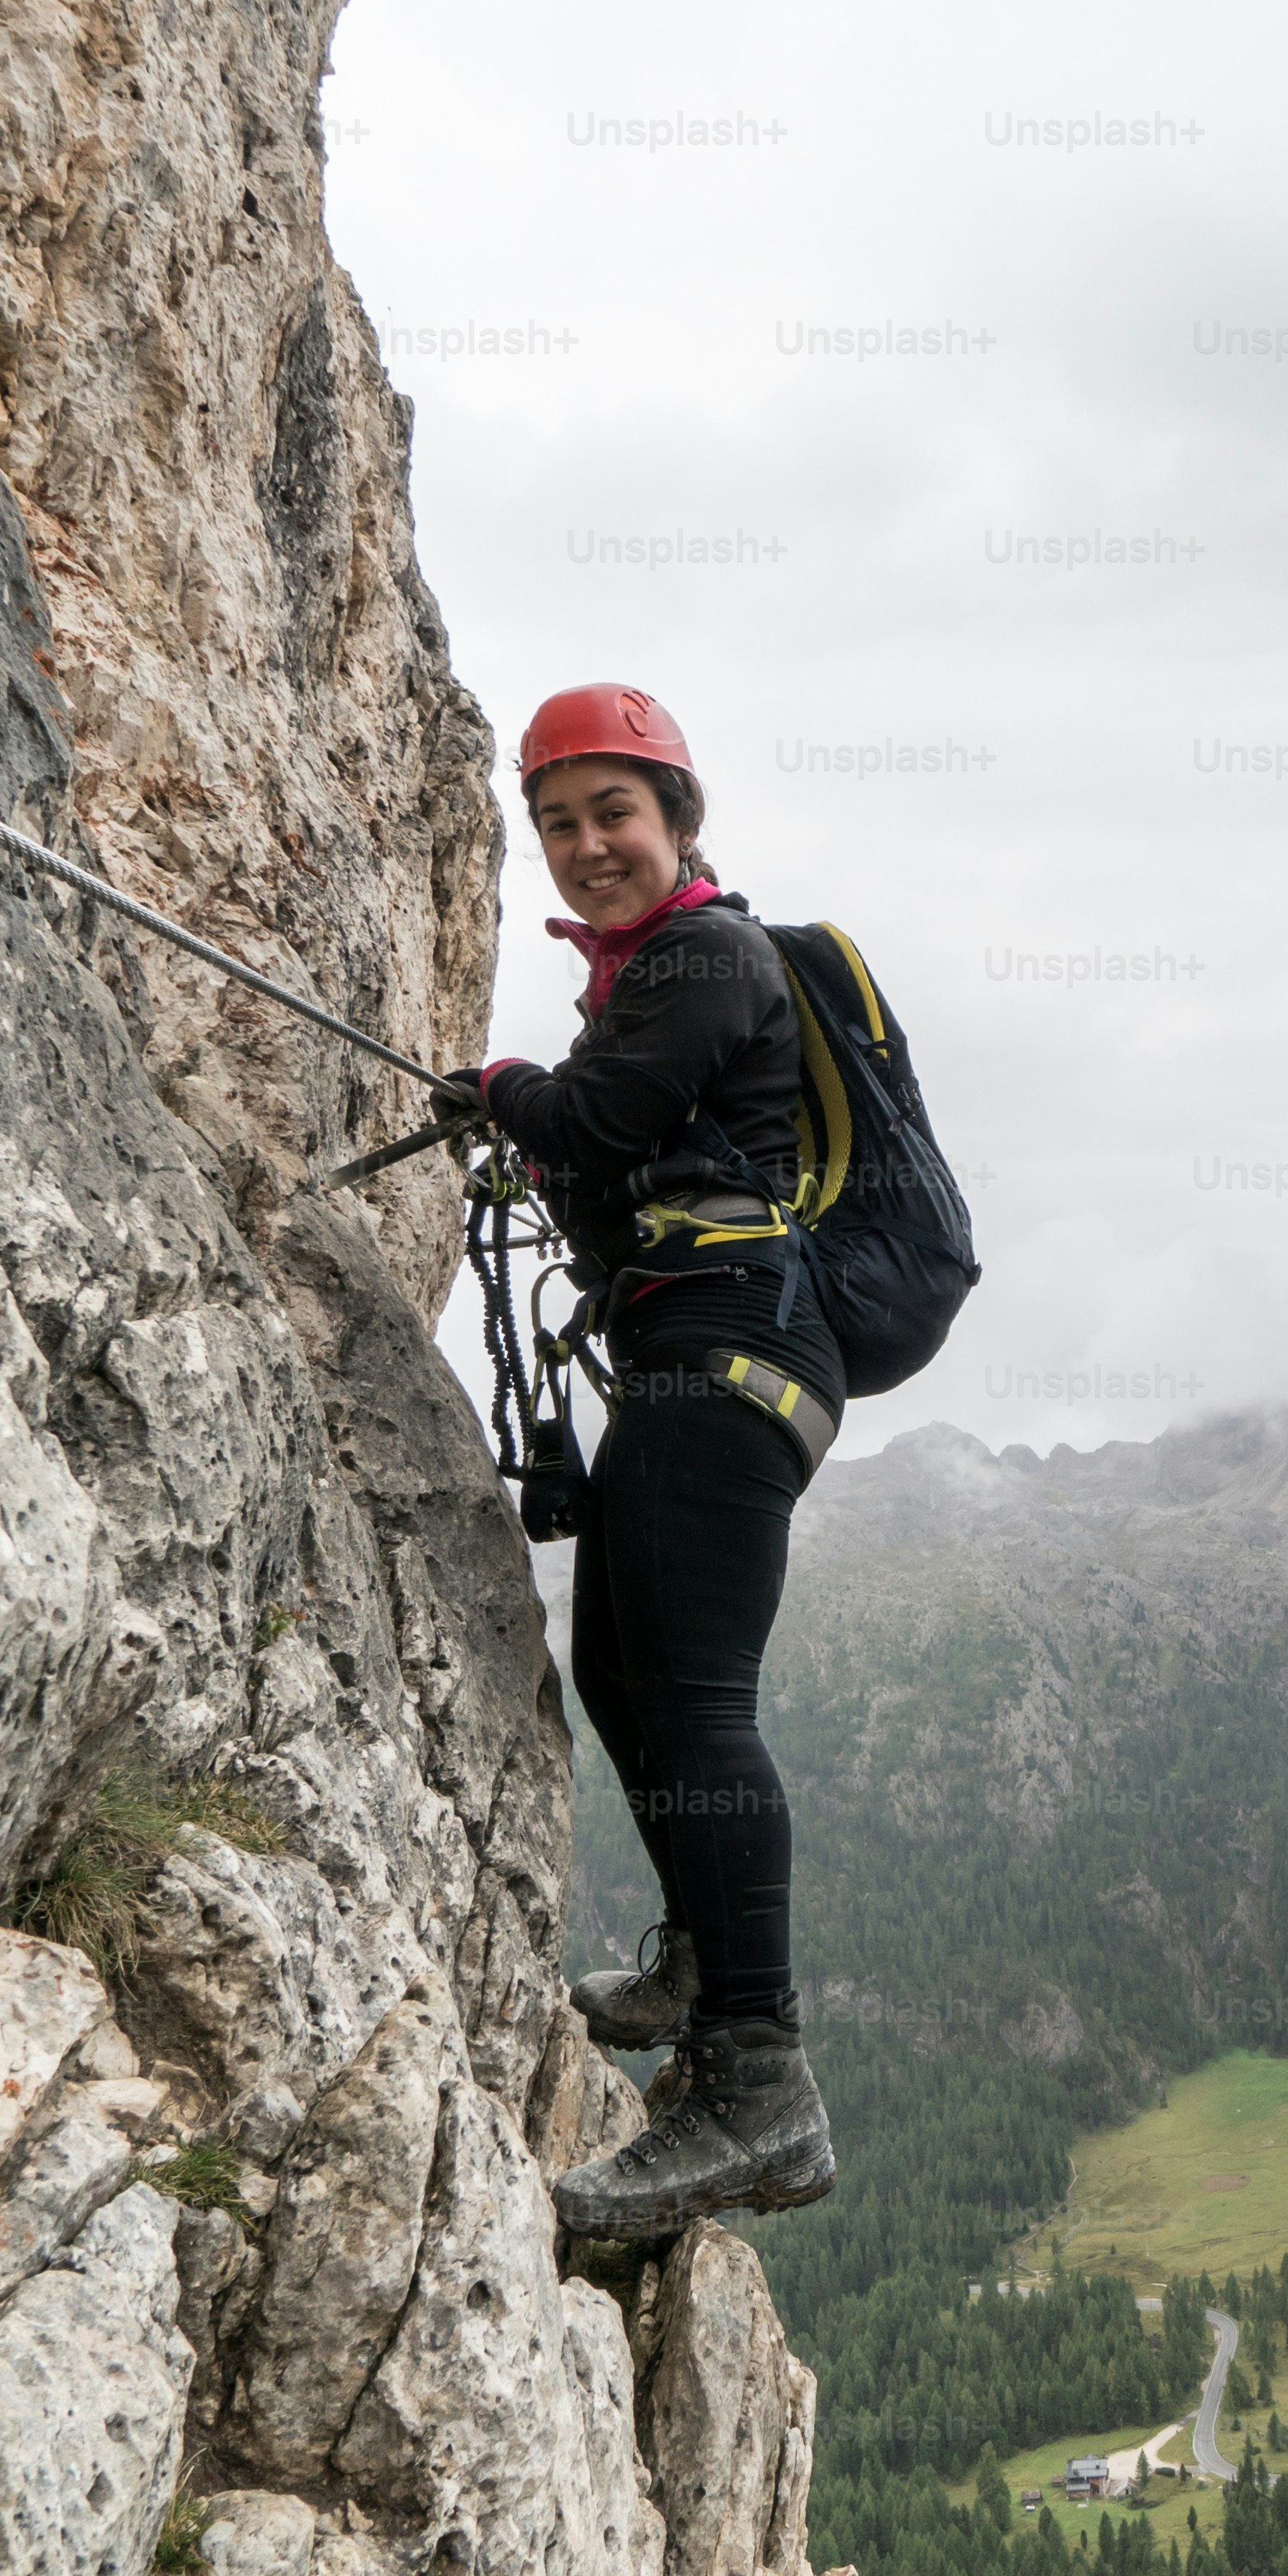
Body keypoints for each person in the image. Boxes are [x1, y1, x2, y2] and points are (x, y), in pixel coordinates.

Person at [463, 682, 840, 2237]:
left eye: (611, 811)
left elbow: (601, 1121)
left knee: (692, 1698)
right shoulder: (646, 973)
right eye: (554, 822)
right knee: (622, 1673)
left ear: (678, 823)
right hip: (686, 1364)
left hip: (730, 1363)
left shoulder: (705, 953)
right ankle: (698, 1956)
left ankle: (758, 2085)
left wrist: (501, 1095)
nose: (583, 844)